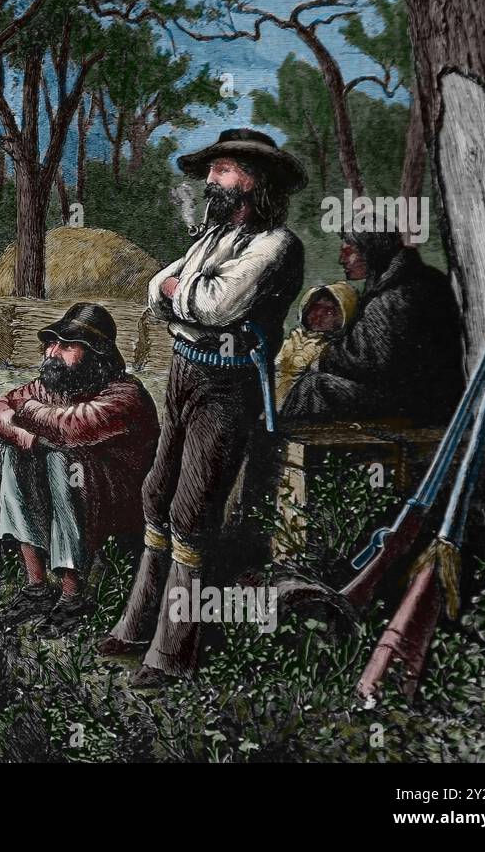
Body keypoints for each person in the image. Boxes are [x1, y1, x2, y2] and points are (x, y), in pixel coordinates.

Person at [98, 128, 306, 687]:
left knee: (193, 507)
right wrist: (183, 289)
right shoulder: (214, 237)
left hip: (230, 381)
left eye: (225, 169)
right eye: (211, 170)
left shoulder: (277, 246)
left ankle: (173, 652)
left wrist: (181, 292)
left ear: (256, 181)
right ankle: (137, 624)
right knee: (158, 490)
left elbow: (213, 306)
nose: (211, 179)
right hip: (186, 371)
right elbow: (154, 286)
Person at [0, 303, 159, 638]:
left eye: (66, 346)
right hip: (78, 493)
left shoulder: (125, 393)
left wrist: (28, 410)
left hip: (121, 502)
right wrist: (28, 437)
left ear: (95, 353)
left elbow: (72, 426)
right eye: (51, 344)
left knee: (65, 458)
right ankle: (37, 587)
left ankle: (73, 595)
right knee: (17, 452)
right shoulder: (52, 386)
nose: (52, 353)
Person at [281, 230, 462, 425]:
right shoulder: (416, 279)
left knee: (313, 387)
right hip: (425, 398)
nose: (342, 260)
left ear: (371, 250)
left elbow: (367, 359)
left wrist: (324, 357)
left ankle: (282, 449)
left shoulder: (391, 297)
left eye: (349, 252)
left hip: (417, 406)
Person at [275, 282, 358, 406]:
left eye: (329, 312)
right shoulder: (291, 340)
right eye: (316, 307)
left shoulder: (333, 351)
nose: (318, 315)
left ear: (343, 319)